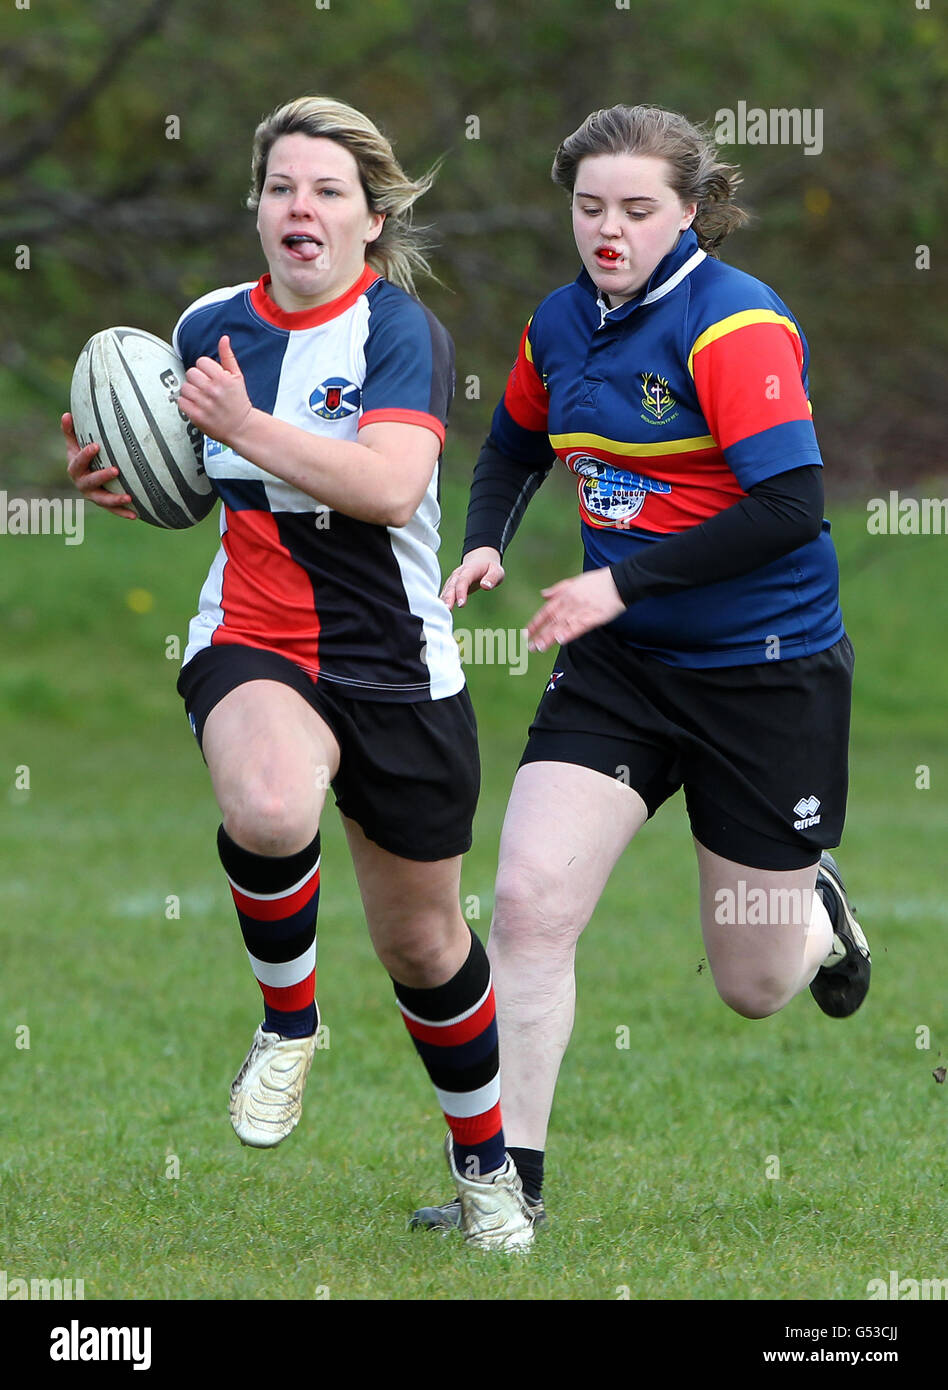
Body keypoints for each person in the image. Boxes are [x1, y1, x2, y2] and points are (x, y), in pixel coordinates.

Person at [62, 95, 535, 1251]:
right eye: (281, 187)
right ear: (259, 208)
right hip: (255, 638)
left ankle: (486, 1171)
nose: (300, 208)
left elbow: (384, 487)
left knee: (426, 947)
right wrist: (132, 478)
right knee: (270, 805)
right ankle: (288, 1026)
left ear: (372, 220)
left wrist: (238, 426)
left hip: (397, 665)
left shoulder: (400, 333)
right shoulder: (210, 324)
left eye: (327, 190)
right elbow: (205, 482)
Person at [410, 103, 870, 1236]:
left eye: (637, 209)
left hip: (764, 673)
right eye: (588, 206)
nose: (607, 230)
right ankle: (506, 1185)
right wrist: (485, 541)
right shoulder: (560, 324)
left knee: (754, 986)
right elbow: (516, 444)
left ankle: (819, 919)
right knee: (524, 904)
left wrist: (621, 580)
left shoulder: (735, 324)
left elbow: (790, 506)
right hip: (622, 670)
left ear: (692, 210)